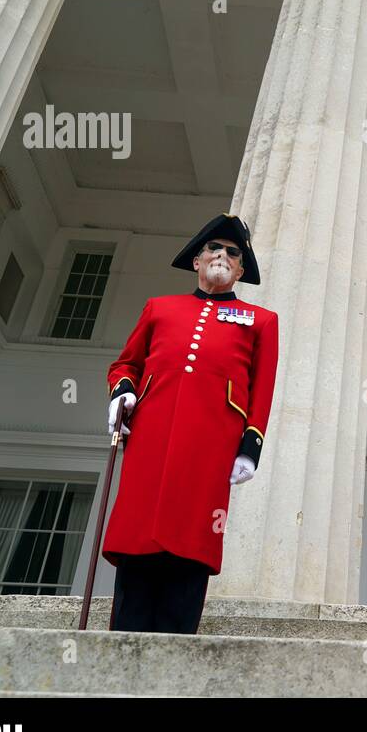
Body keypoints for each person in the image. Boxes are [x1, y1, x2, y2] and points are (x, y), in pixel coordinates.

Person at [103, 213, 279, 633]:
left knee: (192, 544)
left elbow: (263, 389)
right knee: (137, 541)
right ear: (197, 260)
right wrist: (122, 391)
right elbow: (126, 363)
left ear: (240, 270)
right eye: (214, 248)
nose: (222, 255)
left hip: (211, 447)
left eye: (233, 253)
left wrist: (249, 447)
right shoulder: (159, 308)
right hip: (150, 438)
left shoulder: (262, 321)